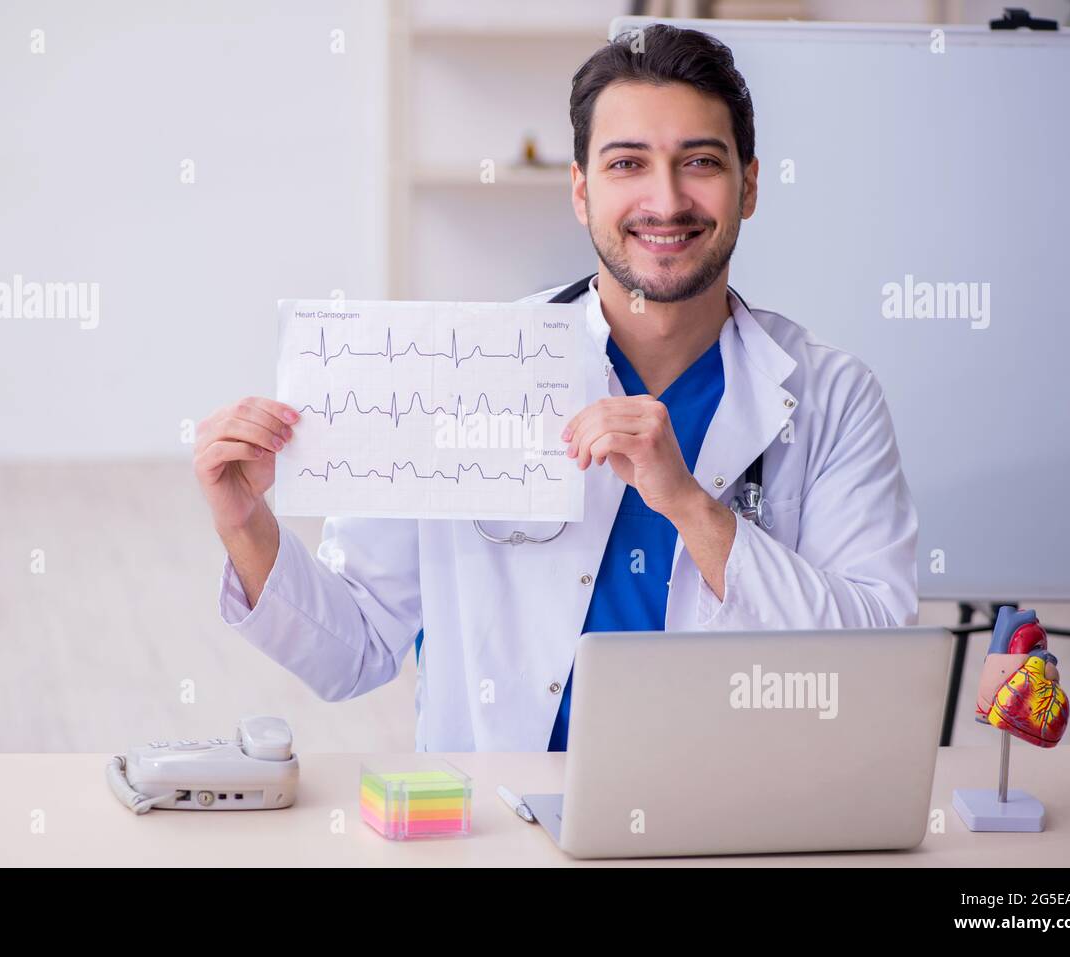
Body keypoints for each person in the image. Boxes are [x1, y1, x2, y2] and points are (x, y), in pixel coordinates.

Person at [193, 24, 918, 751]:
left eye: (699, 161)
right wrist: (244, 524)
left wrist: (690, 507)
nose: (665, 201)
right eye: (627, 163)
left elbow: (870, 663)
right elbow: (352, 648)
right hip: (504, 825)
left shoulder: (834, 397)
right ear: (581, 190)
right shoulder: (461, 366)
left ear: (749, 186)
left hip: (729, 818)